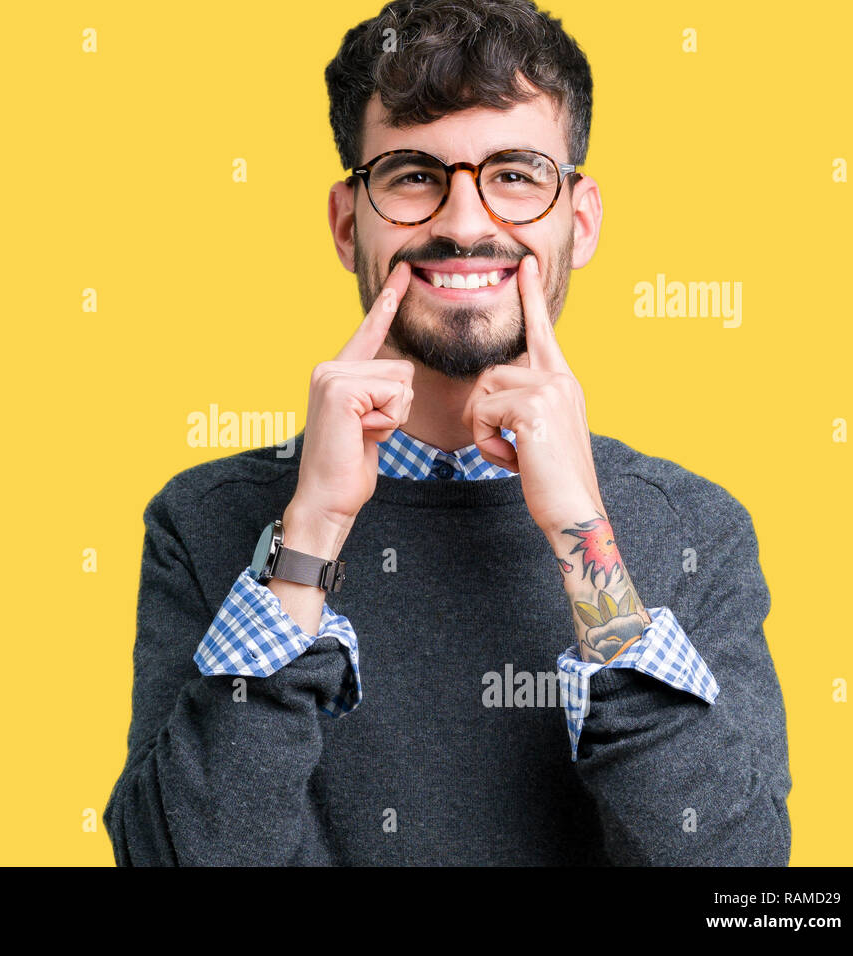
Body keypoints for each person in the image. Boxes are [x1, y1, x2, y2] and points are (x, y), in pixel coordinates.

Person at [103, 0, 791, 865]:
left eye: (514, 174)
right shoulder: (205, 519)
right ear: (350, 222)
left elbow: (747, 889)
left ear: (577, 222)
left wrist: (583, 531)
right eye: (413, 174)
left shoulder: (697, 531)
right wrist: (307, 540)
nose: (465, 225)